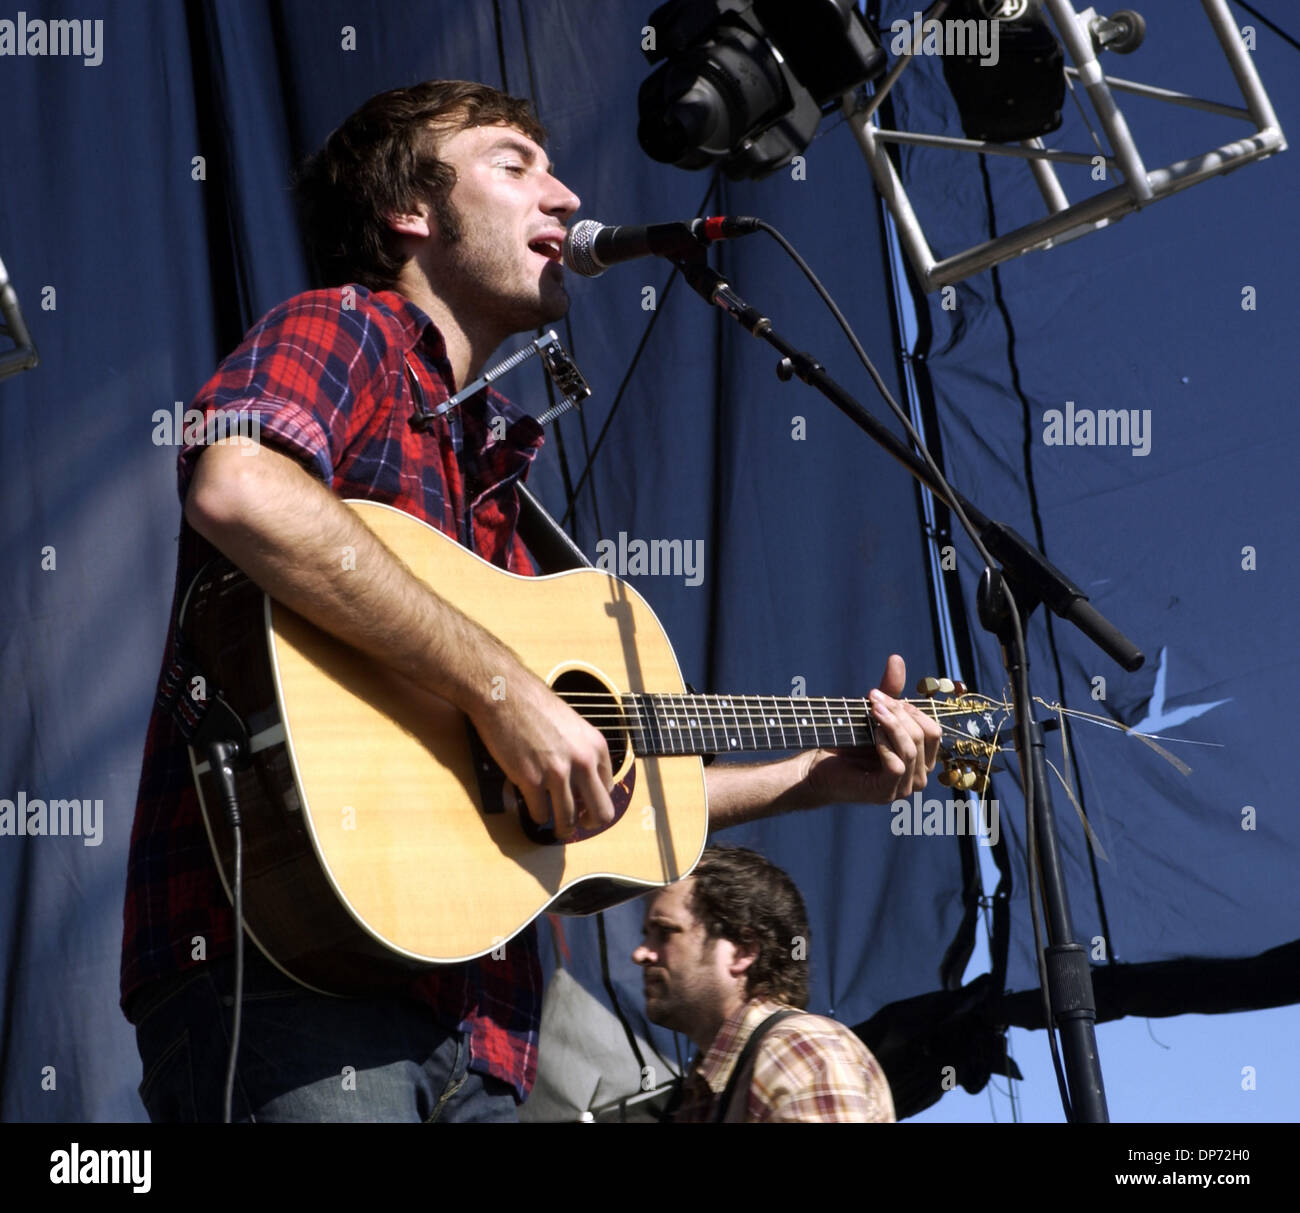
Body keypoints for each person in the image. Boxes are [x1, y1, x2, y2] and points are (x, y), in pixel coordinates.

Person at [121, 79, 941, 1123]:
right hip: (290, 977)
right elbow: (241, 487)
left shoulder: (498, 477)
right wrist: (505, 689)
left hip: (486, 1023)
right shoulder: (349, 328)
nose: (562, 196)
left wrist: (815, 777)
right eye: (515, 165)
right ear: (407, 212)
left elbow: (584, 777)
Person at [635, 845, 895, 1122]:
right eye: (646, 935)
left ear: (742, 951)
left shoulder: (799, 1052)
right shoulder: (706, 1087)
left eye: (665, 933)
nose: (640, 954)